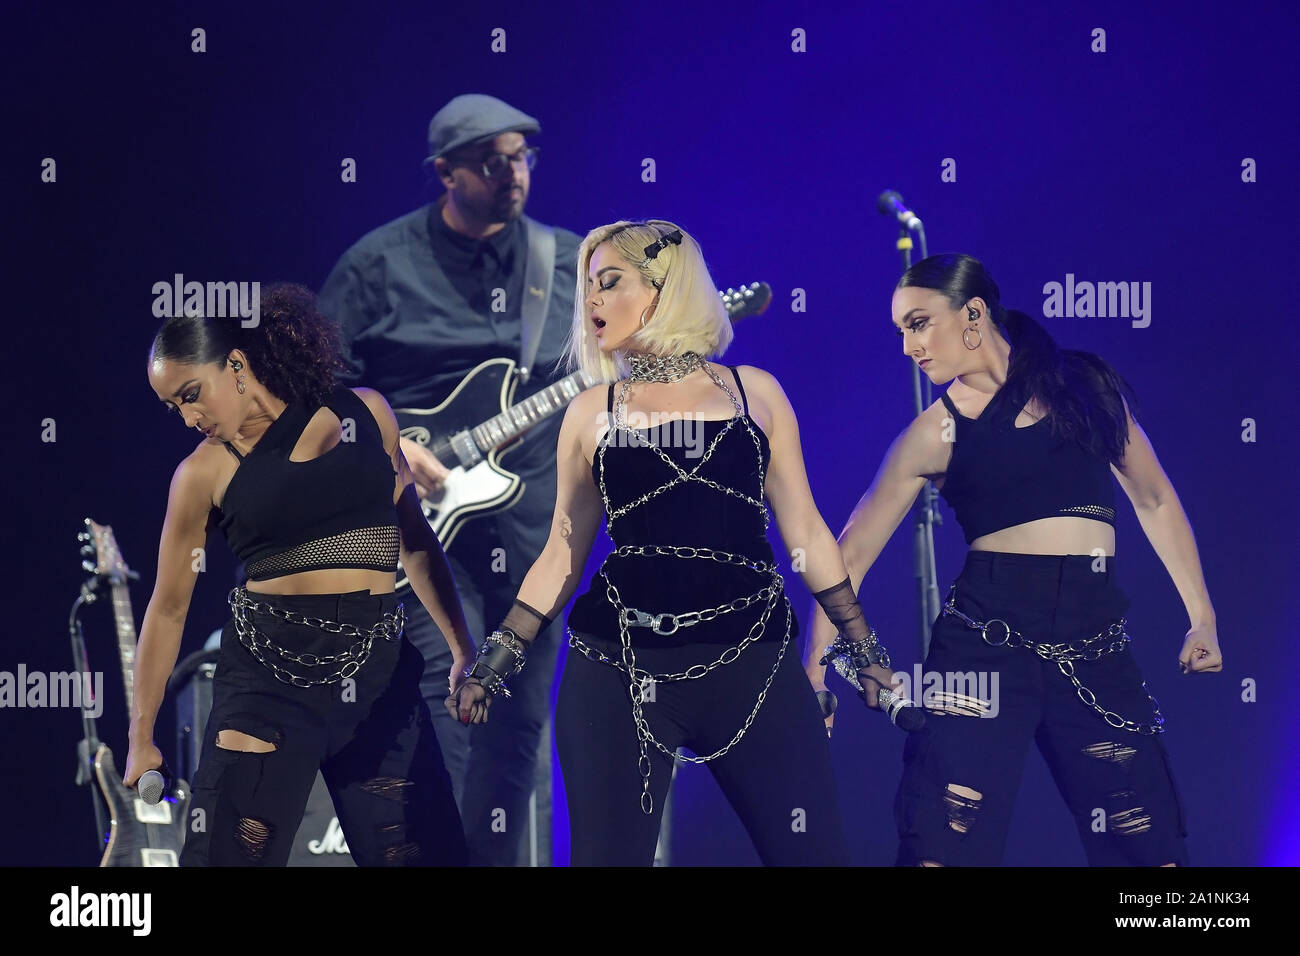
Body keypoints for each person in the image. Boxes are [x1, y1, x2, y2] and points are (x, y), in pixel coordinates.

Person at [446, 219, 903, 866]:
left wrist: (862, 644)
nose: (592, 302)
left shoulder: (755, 393)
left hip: (753, 661)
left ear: (666, 288)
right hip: (618, 666)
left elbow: (806, 531)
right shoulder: (592, 409)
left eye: (610, 283)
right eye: (588, 288)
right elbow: (563, 551)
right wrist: (496, 659)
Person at [807, 253, 1220, 866]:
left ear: (973, 313)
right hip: (984, 643)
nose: (908, 347)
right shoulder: (933, 432)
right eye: (899, 331)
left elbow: (1155, 497)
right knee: (943, 844)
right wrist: (815, 675)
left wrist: (1201, 617)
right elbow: (849, 554)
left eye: (918, 323)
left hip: (1094, 642)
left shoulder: (1086, 388)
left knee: (1149, 845)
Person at [128, 283, 484, 866]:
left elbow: (415, 541)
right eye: (175, 408)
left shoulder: (366, 413)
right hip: (268, 687)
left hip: (378, 679)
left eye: (192, 395)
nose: (189, 417)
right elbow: (168, 608)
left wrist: (462, 649)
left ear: (237, 366)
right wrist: (141, 736)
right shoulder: (201, 473)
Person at [318, 94, 579, 866]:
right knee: (445, 703)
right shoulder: (378, 264)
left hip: (532, 533)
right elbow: (314, 390)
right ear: (446, 173)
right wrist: (390, 446)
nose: (514, 174)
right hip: (418, 532)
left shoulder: (563, 262)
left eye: (523, 156)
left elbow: (605, 369)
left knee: (519, 730)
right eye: (493, 161)